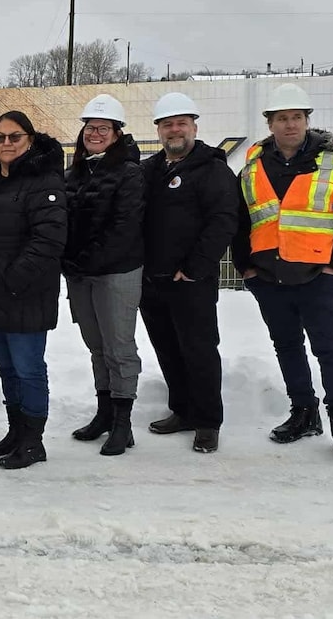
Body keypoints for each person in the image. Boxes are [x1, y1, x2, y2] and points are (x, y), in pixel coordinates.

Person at [232, 83, 333, 462]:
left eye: (296, 117)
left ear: (307, 121)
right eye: (282, 118)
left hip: (318, 278)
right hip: (269, 279)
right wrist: (246, 268)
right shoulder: (254, 165)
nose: (290, 124)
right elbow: (240, 220)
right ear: (270, 124)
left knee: (330, 350)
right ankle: (304, 412)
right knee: (287, 346)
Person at [0, 111, 66, 470]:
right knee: (6, 367)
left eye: (14, 137)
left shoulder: (45, 180)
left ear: (30, 140)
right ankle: (16, 431)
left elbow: (48, 239)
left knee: (28, 369)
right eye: (0, 137)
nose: (6, 143)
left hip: (25, 294)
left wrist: (13, 279)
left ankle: (33, 441)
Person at [139, 93, 238, 454]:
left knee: (199, 351)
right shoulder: (149, 170)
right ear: (159, 130)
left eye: (181, 123)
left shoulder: (213, 170)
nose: (175, 130)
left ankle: (208, 422)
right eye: (168, 124)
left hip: (191, 281)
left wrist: (195, 267)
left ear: (194, 127)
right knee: (167, 349)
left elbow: (223, 221)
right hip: (152, 281)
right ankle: (182, 410)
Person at [63, 94, 145, 457]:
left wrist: (85, 260)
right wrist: (68, 259)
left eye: (103, 128)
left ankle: (123, 423)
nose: (95, 134)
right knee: (96, 346)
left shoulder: (129, 172)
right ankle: (105, 413)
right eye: (90, 128)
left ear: (116, 133)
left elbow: (124, 227)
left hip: (116, 272)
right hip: (81, 274)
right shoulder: (75, 173)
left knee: (119, 347)